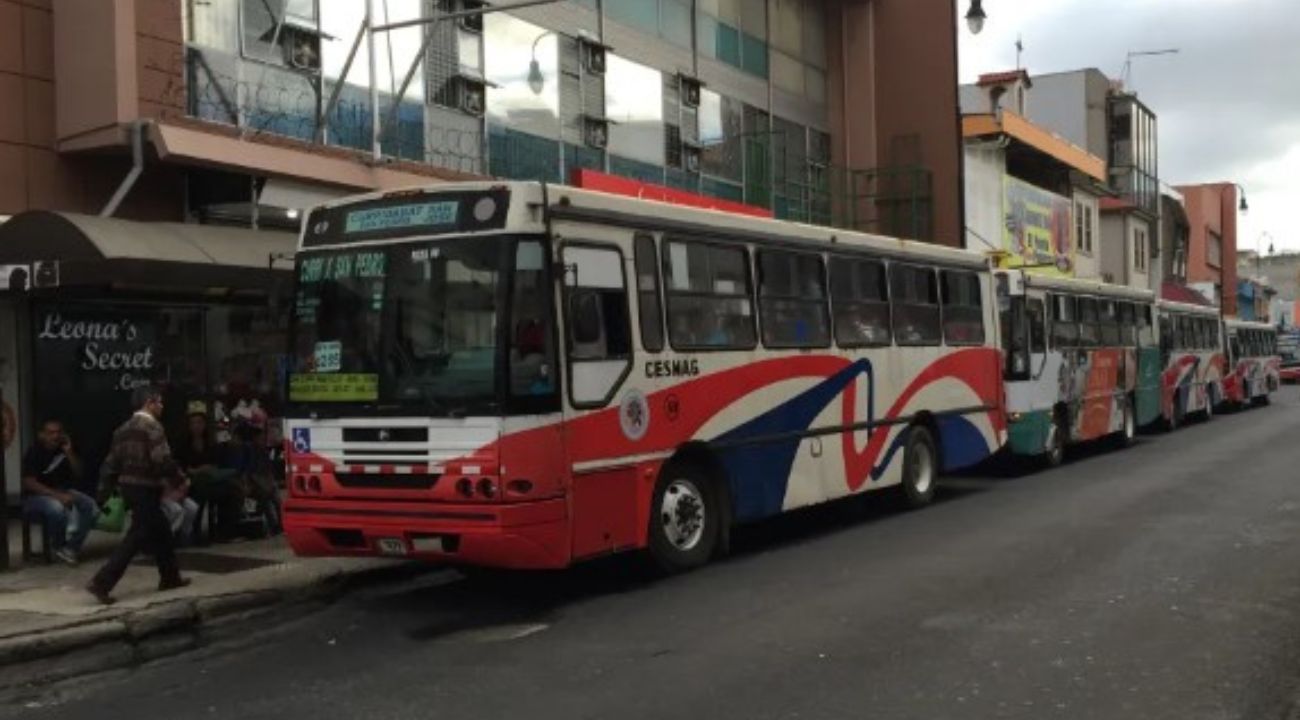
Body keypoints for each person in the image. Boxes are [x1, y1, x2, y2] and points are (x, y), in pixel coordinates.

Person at [87, 386, 190, 605]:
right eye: (159, 402)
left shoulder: (122, 429)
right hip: (146, 487)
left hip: (128, 488)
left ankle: (170, 577)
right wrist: (180, 480)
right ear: (149, 403)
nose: (162, 406)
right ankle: (102, 581)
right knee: (137, 535)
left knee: (161, 530)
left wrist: (103, 492)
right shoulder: (152, 427)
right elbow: (161, 460)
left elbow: (110, 464)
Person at [20, 420, 99, 565]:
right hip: (35, 497)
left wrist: (69, 452)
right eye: (50, 433)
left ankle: (70, 549)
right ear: (42, 435)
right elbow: (29, 483)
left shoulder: (64, 450)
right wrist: (57, 496)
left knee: (91, 506)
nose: (55, 436)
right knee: (57, 509)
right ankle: (57, 546)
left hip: (61, 490)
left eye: (58, 432)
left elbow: (79, 473)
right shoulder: (34, 452)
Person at [175, 405, 242, 543]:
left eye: (200, 423)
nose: (197, 426)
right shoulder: (183, 444)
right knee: (200, 491)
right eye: (193, 423)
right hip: (191, 480)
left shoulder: (210, 443)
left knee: (232, 490)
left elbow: (216, 462)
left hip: (210, 477)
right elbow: (180, 466)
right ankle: (195, 532)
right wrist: (195, 470)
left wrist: (209, 468)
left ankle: (225, 531)